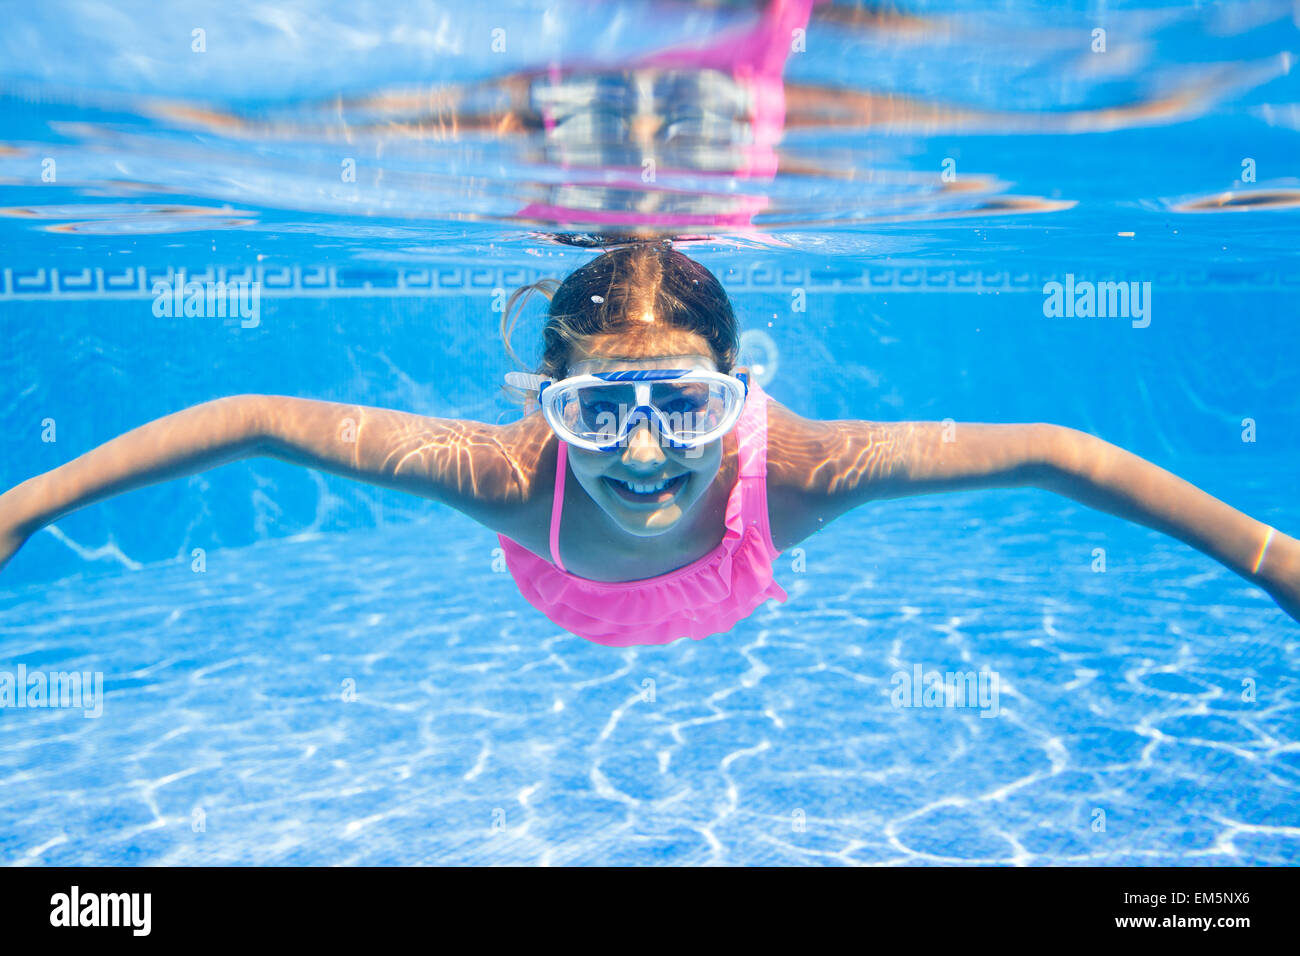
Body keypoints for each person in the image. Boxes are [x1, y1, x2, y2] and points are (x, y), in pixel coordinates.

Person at [2, 242, 1297, 645]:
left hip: (727, 581)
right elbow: (254, 422)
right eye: (598, 409)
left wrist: (1270, 554)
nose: (638, 452)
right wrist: (20, 506)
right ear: (544, 407)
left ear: (737, 397)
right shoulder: (515, 482)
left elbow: (1058, 452)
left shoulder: (790, 478)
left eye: (682, 406)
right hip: (561, 585)